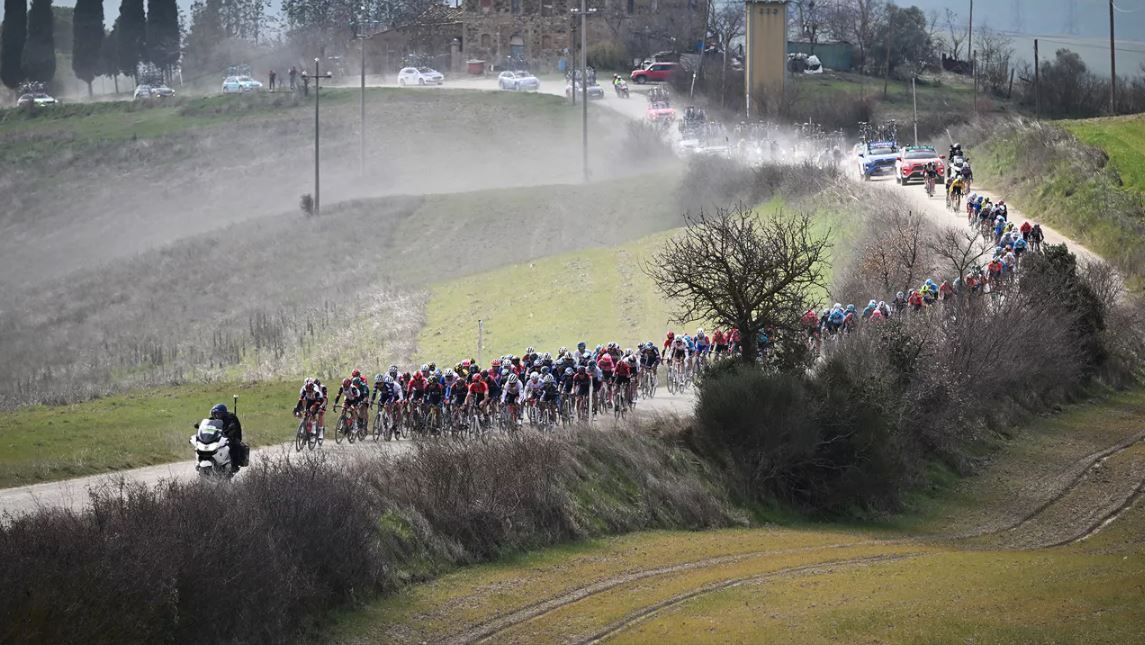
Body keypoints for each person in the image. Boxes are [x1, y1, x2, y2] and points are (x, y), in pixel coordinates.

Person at [210, 403, 246, 472]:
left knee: (235, 445)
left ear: (223, 414)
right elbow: (206, 426)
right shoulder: (212, 420)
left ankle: (234, 465)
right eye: (215, 414)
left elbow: (235, 429)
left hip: (229, 437)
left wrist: (230, 435)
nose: (217, 415)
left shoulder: (231, 418)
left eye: (218, 414)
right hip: (217, 438)